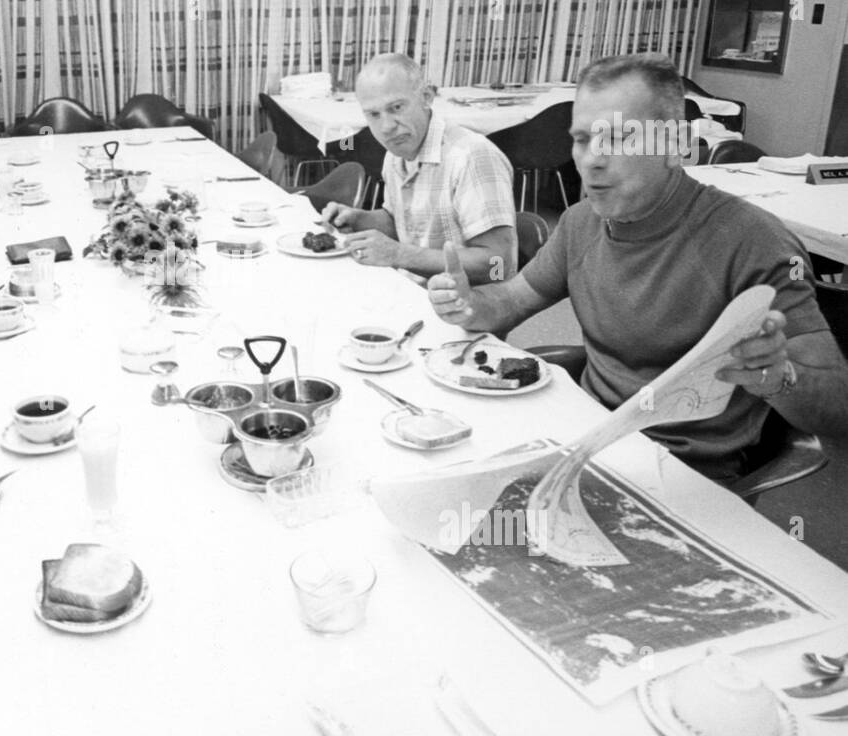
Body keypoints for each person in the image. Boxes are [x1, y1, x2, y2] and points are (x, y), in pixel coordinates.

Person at [429, 52, 848, 483]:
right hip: (585, 439)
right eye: (581, 139)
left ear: (673, 145)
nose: (590, 160)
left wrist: (777, 378)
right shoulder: (580, 223)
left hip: (684, 473)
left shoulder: (752, 241)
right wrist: (468, 304)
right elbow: (512, 300)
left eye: (617, 138)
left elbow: (839, 408)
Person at [320, 53, 517, 284]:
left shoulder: (471, 157)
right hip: (414, 290)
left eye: (396, 108)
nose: (386, 127)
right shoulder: (397, 153)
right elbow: (405, 225)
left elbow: (498, 266)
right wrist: (359, 219)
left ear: (426, 97)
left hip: (468, 307)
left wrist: (399, 254)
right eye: (374, 114)